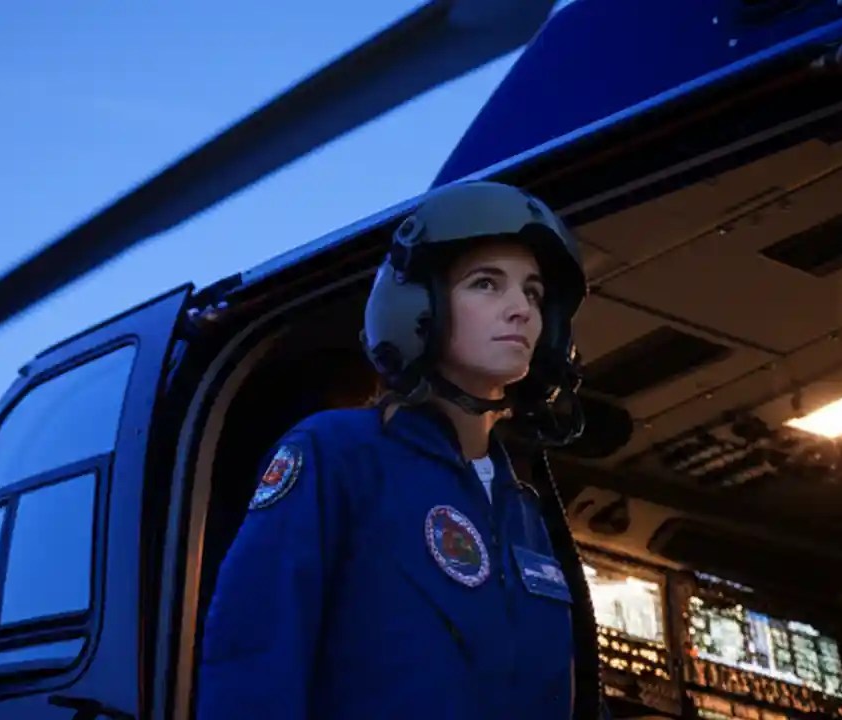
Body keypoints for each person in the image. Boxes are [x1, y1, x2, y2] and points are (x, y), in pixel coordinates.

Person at [195, 180, 605, 719]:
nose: (521, 310)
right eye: (487, 284)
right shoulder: (334, 455)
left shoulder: (525, 511)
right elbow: (252, 663)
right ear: (419, 307)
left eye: (532, 292)